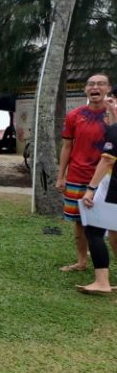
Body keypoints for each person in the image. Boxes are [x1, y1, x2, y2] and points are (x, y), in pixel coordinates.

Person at [55, 74, 117, 272]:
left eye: (101, 84)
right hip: (77, 176)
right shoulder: (74, 115)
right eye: (91, 84)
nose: (95, 87)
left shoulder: (113, 113)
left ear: (108, 89)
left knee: (112, 225)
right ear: (85, 89)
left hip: (107, 179)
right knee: (79, 222)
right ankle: (81, 261)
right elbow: (67, 146)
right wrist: (61, 176)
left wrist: (112, 111)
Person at [78, 113, 117, 295]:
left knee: (94, 230)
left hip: (113, 188)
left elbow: (107, 160)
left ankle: (102, 282)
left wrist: (91, 189)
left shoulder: (115, 130)